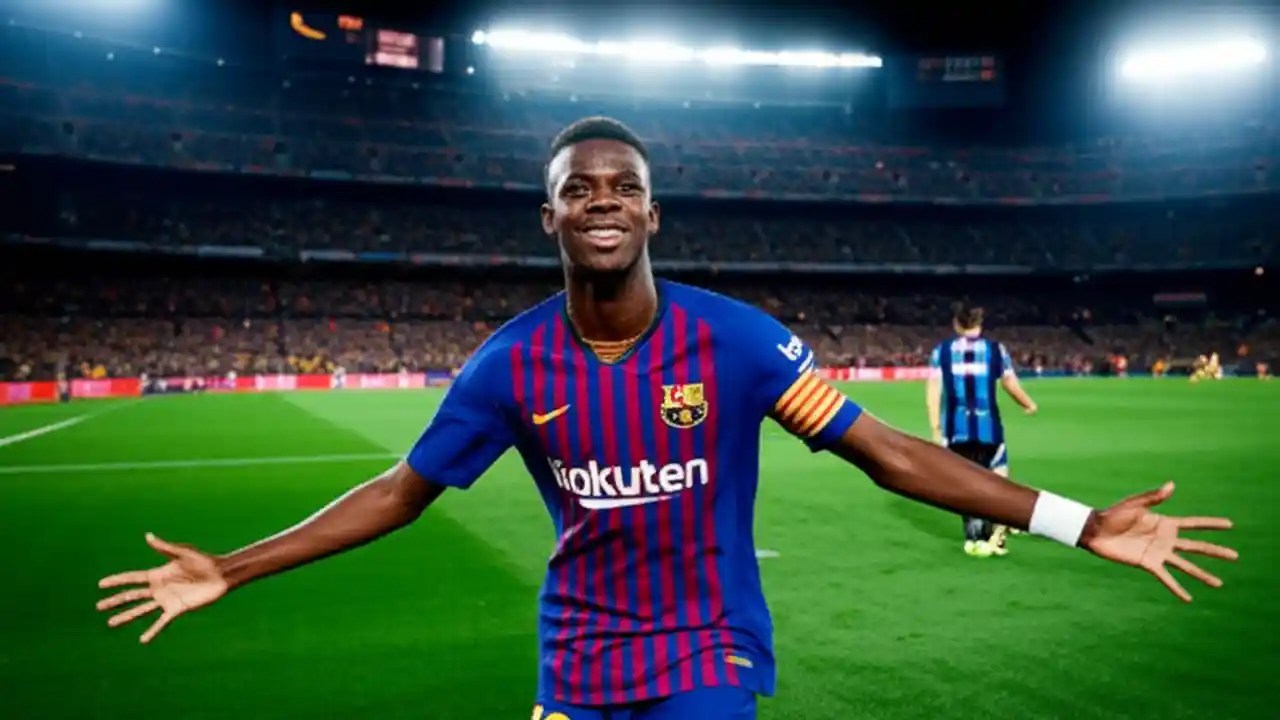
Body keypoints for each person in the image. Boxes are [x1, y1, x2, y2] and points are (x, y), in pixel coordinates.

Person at [96, 117, 1237, 720]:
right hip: (575, 656)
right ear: (544, 214)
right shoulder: (506, 366)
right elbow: (400, 494)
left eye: (623, 185)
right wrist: (230, 571)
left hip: (705, 653)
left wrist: (1077, 522)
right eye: (579, 187)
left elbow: (886, 454)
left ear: (652, 211)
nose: (603, 199)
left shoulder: (734, 340)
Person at [926, 302, 1037, 558]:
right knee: (998, 481)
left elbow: (933, 390)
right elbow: (1009, 383)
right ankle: (993, 537)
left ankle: (973, 538)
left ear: (956, 324)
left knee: (965, 484)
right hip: (989, 430)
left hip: (956, 431)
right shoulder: (995, 350)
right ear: (980, 324)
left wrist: (935, 427)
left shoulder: (941, 351)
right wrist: (1028, 403)